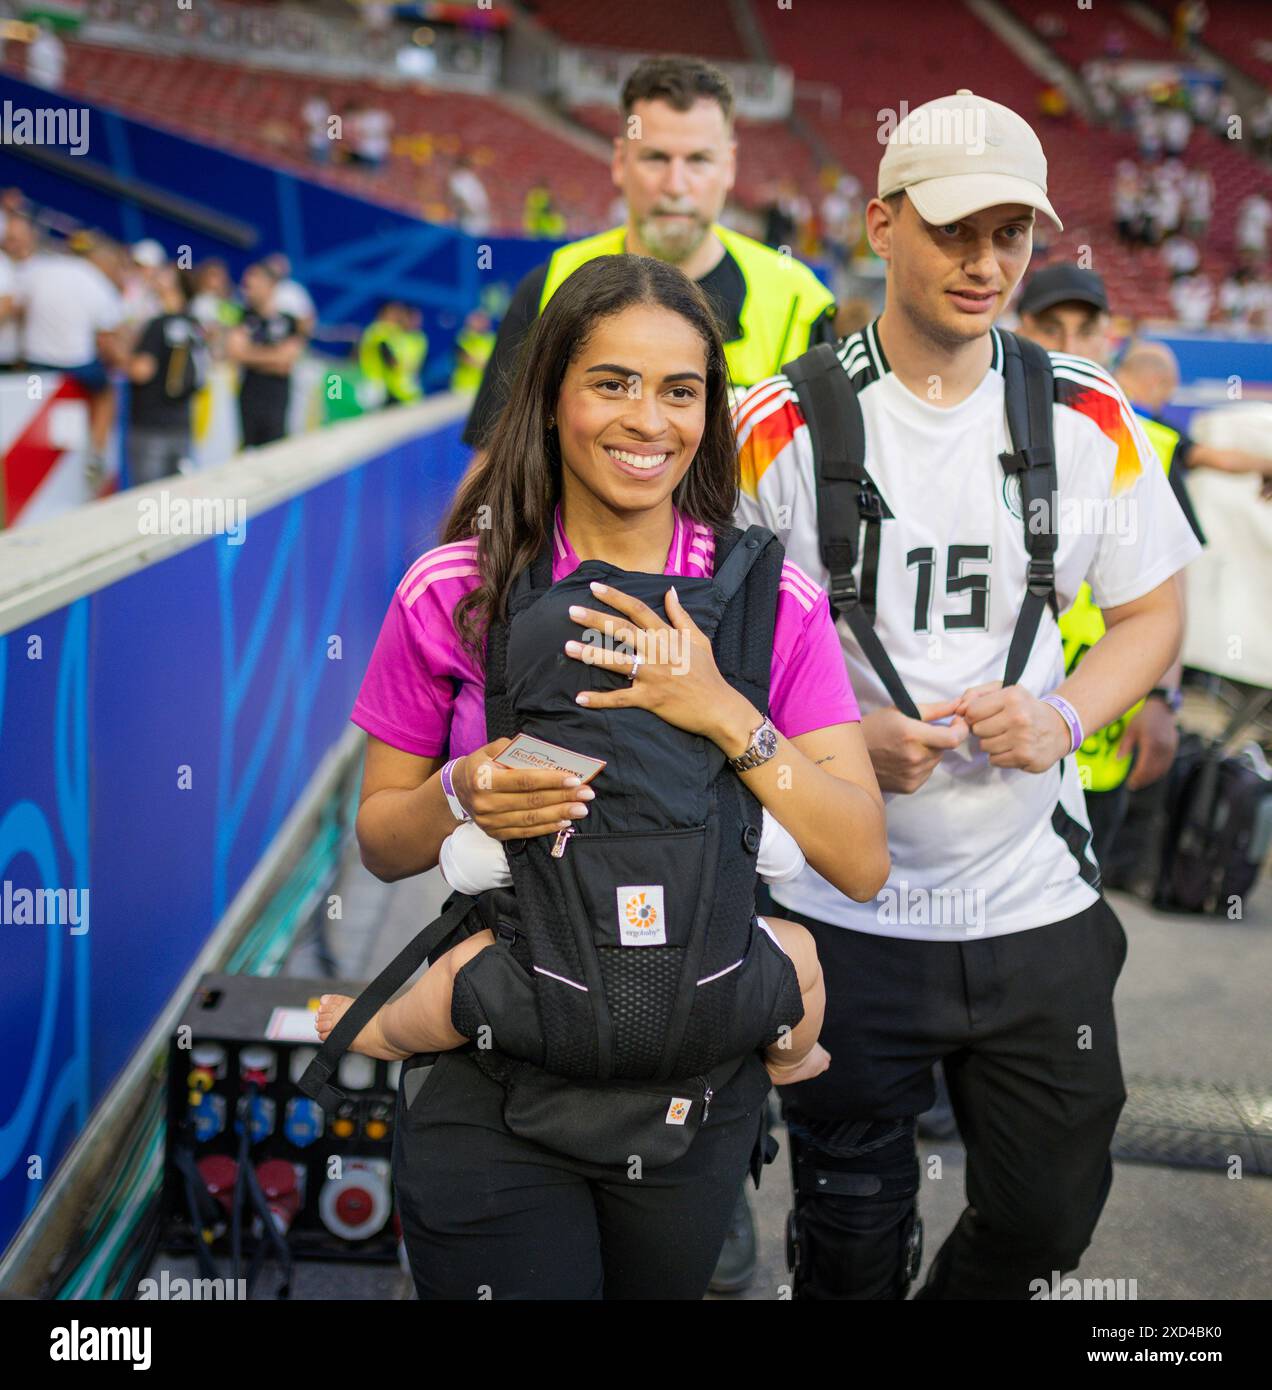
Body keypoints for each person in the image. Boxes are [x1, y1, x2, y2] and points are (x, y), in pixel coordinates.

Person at [733, 88, 1202, 1299]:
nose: (986, 262)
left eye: (1012, 234)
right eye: (955, 230)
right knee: (847, 1233)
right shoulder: (776, 424)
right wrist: (828, 741)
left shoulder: (1087, 406)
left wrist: (1061, 718)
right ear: (882, 225)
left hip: (1033, 902)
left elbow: (1154, 613)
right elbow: (713, 668)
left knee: (1048, 1216)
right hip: (841, 906)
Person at [347, 253, 887, 1299]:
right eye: (613, 382)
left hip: (690, 1087)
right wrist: (466, 789)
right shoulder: (453, 589)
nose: (650, 420)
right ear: (550, 398)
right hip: (494, 1070)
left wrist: (724, 712)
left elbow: (860, 859)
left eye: (680, 390)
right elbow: (380, 843)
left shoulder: (778, 603)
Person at [461, 56, 836, 459]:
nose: (675, 185)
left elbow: (822, 478)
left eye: (698, 160)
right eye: (656, 158)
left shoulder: (801, 303)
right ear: (620, 162)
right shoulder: (552, 284)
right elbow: (493, 468)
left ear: (729, 167)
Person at [1016, 265, 1204, 866]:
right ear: (1019, 329)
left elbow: (1171, 582)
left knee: (1083, 904)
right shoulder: (974, 427)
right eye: (1051, 329)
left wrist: (1161, 701)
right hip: (1001, 726)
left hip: (1101, 719)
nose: (1069, 347)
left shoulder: (1146, 442)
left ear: (1109, 338)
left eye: (1085, 330)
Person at [21, 230, 125, 485]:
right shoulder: (96, 282)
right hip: (77, 364)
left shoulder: (39, 269)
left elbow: (18, 308)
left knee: (31, 404)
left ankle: (28, 460)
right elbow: (106, 340)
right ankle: (97, 454)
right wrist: (124, 363)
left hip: (36, 363)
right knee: (106, 394)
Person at [125, 266, 205, 484]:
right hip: (181, 423)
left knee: (147, 499)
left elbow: (141, 370)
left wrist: (120, 355)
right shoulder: (193, 325)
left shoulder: (158, 325)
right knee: (173, 500)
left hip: (150, 424)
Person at [225, 261, 303, 448]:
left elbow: (286, 362)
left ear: (270, 286)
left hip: (277, 399)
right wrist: (274, 355)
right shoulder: (242, 316)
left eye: (252, 285)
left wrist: (251, 354)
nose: (246, 290)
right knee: (248, 452)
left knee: (276, 452)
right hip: (249, 397)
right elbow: (235, 353)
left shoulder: (288, 321)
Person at [358, 301, 426, 405]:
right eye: (394, 313)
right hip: (374, 382)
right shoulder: (380, 330)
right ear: (383, 313)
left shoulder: (383, 331)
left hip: (380, 383)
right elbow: (389, 359)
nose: (397, 317)